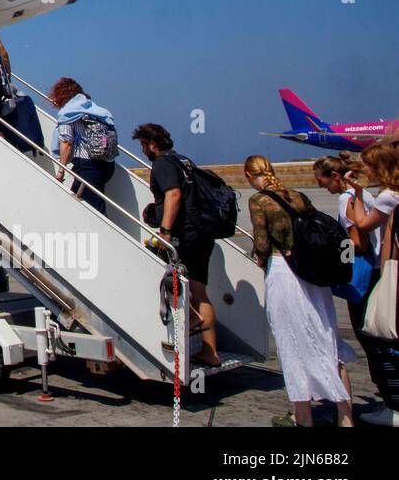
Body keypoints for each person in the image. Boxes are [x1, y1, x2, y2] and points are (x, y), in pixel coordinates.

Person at [244, 155, 355, 427]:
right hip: (313, 275)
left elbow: (261, 246)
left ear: (249, 176)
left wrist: (257, 260)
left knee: (293, 343)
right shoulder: (297, 195)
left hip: (285, 273)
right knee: (326, 339)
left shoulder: (259, 200)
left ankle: (304, 417)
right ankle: (346, 417)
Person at [131, 122, 221, 367]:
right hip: (203, 233)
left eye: (142, 145)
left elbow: (173, 195)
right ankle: (210, 352)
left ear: (152, 143)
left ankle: (191, 320)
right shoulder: (183, 161)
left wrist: (166, 232)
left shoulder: (162, 164)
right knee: (200, 291)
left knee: (169, 283)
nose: (142, 151)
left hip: (184, 234)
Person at [343, 142, 399, 427]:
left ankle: (394, 406)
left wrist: (356, 195)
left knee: (383, 336)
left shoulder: (389, 195)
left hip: (391, 271)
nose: (363, 169)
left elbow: (362, 226)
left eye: (366, 165)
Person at [48, 78, 117, 215]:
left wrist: (61, 172)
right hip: (107, 164)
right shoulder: (95, 110)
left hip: (88, 166)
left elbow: (66, 142)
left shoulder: (69, 113)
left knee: (94, 212)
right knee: (78, 205)